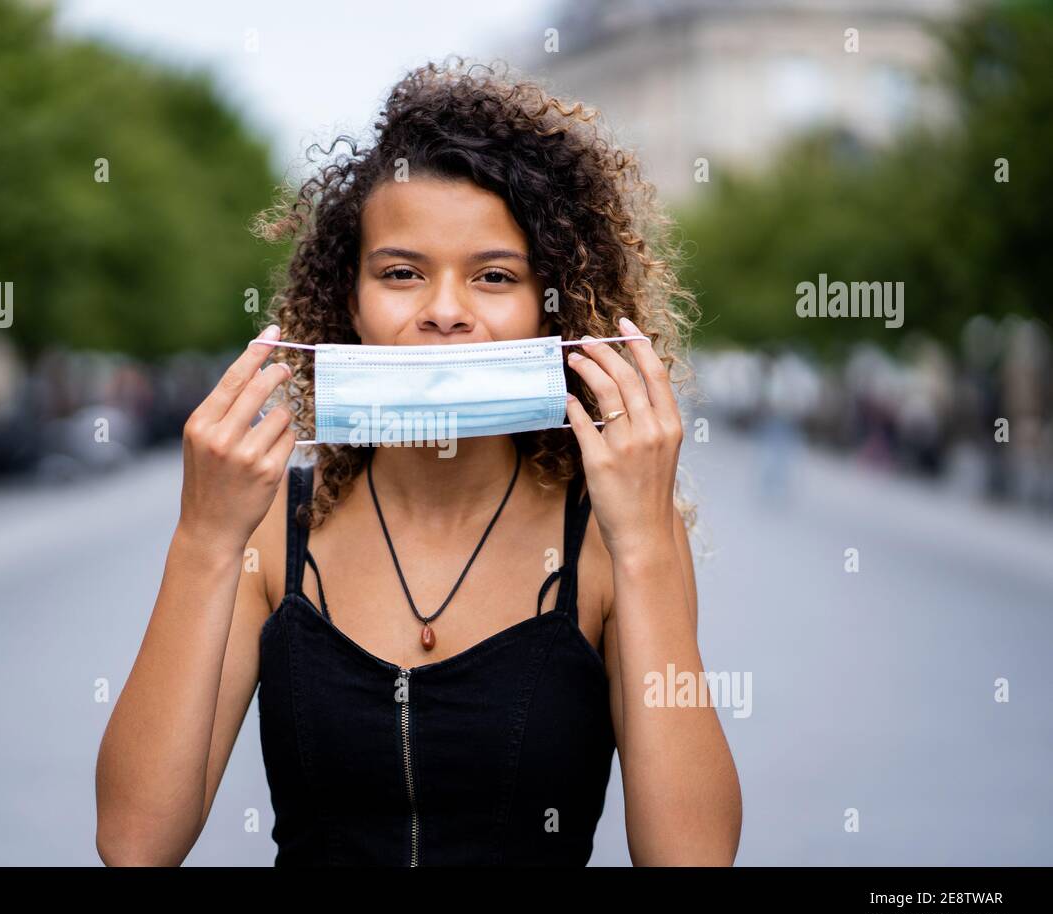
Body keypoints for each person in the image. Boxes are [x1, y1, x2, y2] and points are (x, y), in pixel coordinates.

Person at [96, 59, 741, 866]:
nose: (443, 312)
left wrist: (645, 544)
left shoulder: (617, 539)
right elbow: (133, 844)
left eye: (494, 277)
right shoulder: (269, 527)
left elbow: (694, 858)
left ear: (558, 310)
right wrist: (201, 539)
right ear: (349, 304)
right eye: (401, 273)